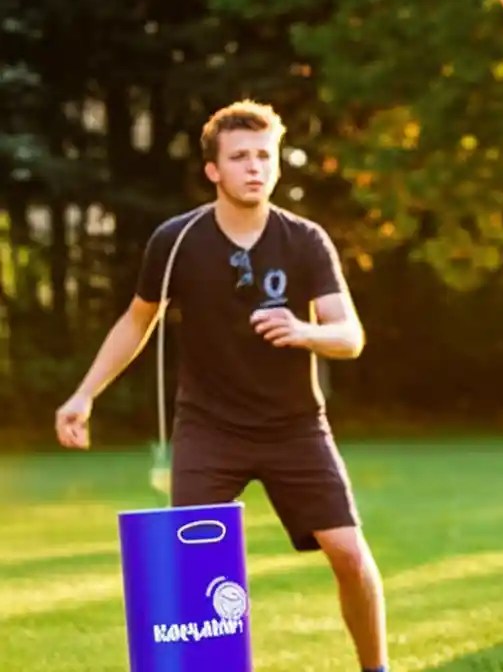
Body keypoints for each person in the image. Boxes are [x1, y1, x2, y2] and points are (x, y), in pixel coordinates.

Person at [54, 100, 390, 672]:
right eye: (239, 157)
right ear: (213, 170)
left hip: (294, 427)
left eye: (264, 156)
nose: (254, 167)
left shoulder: (305, 240)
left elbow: (350, 335)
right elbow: (138, 321)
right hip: (209, 428)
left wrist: (305, 330)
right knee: (193, 567)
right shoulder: (176, 241)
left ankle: (376, 669)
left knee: (349, 554)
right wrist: (85, 393)